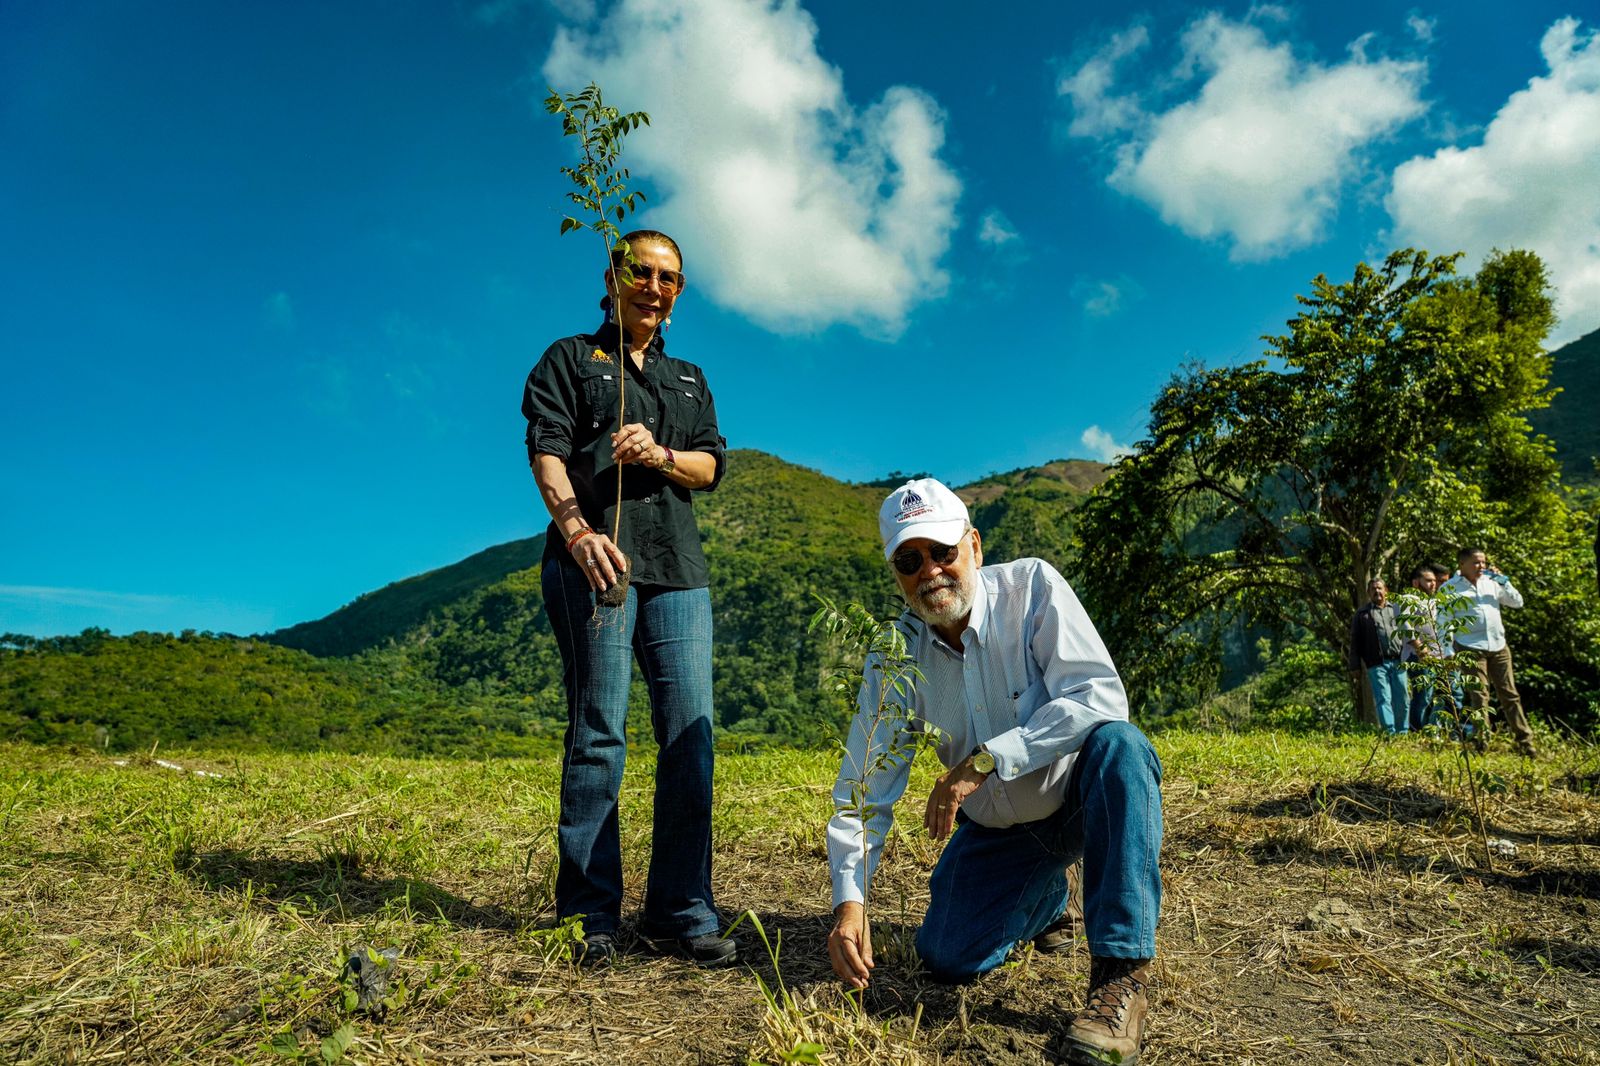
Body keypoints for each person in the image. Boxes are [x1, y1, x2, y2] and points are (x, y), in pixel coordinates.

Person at [825, 479, 1163, 1066]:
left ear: (974, 547)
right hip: (998, 831)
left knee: (1122, 748)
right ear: (896, 574)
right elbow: (864, 787)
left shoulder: (1031, 588)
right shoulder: (895, 657)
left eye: (942, 551)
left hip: (1075, 799)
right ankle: (1047, 899)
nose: (929, 570)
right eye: (910, 560)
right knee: (947, 956)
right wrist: (849, 904)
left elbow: (1099, 696)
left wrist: (985, 759)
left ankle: (1119, 976)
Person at [521, 229, 735, 967]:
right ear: (612, 278)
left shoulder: (688, 378)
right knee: (600, 732)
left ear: (679, 294)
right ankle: (589, 915)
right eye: (640, 271)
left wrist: (664, 455)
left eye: (669, 277)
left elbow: (710, 465)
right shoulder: (571, 360)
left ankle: (682, 907)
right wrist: (577, 532)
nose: (653, 285)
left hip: (677, 569)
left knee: (690, 735)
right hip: (596, 562)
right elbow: (546, 449)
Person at [1442, 548, 1536, 757]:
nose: (1481, 566)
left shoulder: (1492, 583)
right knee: (1479, 696)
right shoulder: (1450, 589)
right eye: (1476, 563)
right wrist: (1448, 651)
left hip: (1498, 646)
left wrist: (1504, 580)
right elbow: (1443, 622)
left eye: (1483, 562)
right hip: (1470, 647)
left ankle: (1525, 743)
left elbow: (1517, 602)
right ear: (1462, 565)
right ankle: (1481, 743)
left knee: (1510, 695)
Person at [1401, 566, 1465, 732]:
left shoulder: (1435, 602)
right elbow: (1404, 624)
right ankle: (1417, 731)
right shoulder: (1407, 598)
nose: (1433, 584)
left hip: (1441, 655)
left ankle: (1434, 730)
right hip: (1419, 656)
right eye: (1428, 581)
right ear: (1416, 582)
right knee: (1424, 696)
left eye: (1434, 581)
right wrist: (1419, 647)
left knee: (1447, 693)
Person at [1350, 578, 1409, 734]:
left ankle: (1403, 732)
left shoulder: (1397, 610)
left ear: (1386, 591)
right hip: (1376, 663)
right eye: (1373, 589)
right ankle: (1390, 732)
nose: (1377, 591)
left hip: (1399, 660)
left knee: (1402, 698)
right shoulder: (1362, 615)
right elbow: (1355, 642)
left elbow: (1408, 633)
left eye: (1380, 588)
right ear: (1369, 593)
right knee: (1383, 698)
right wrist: (1354, 665)